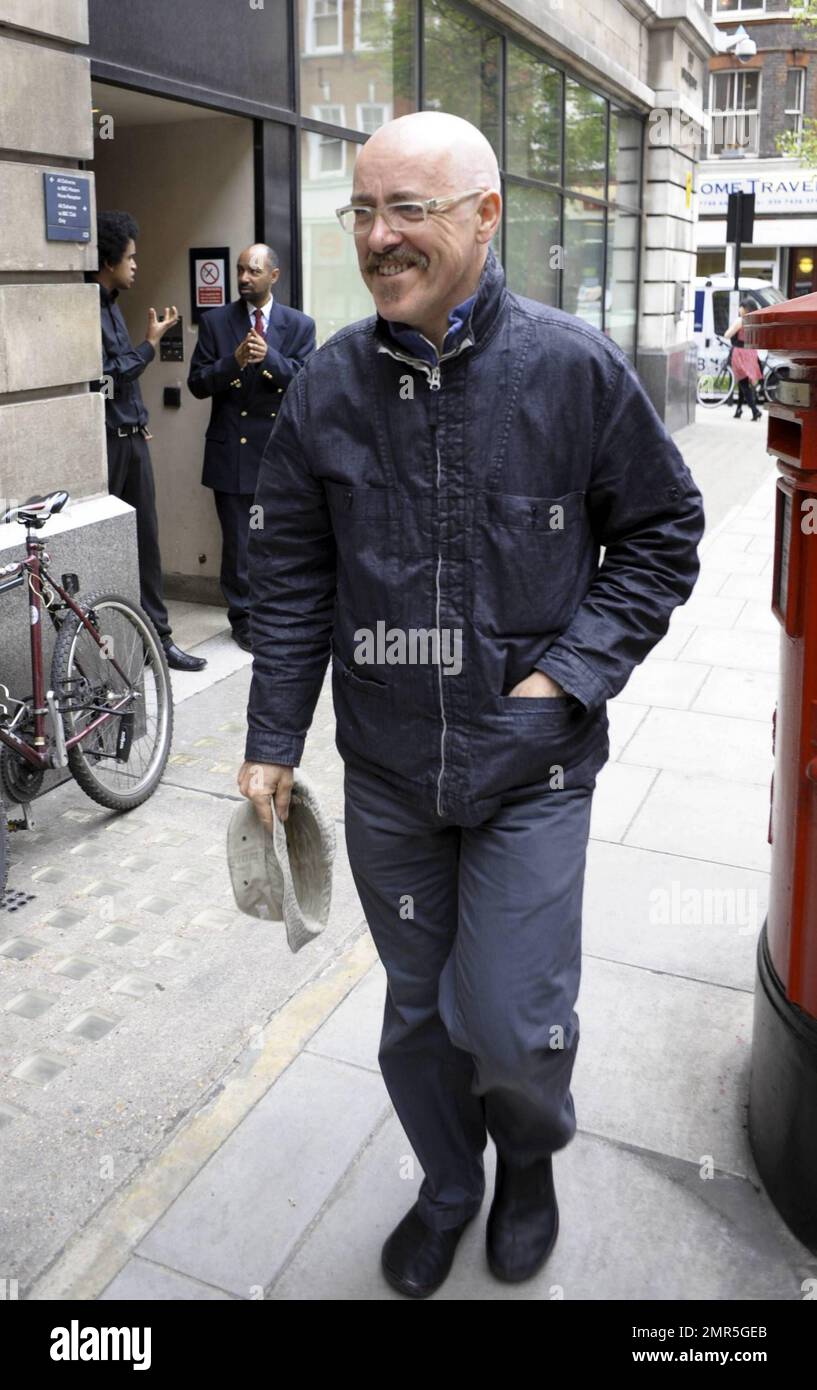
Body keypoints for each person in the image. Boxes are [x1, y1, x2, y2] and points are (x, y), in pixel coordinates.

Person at [236, 111, 705, 1298]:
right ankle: (449, 1184)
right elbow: (289, 576)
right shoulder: (328, 384)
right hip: (391, 774)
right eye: (364, 213)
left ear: (485, 217)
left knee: (508, 1018)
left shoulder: (572, 368)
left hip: (530, 768)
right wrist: (273, 739)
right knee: (417, 1014)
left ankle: (529, 1157)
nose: (380, 237)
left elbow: (661, 531)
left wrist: (567, 678)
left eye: (412, 210)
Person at [87, 212, 206, 672]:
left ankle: (160, 641)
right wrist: (150, 346)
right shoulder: (87, 307)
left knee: (147, 541)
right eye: (131, 257)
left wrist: (137, 417)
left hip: (131, 435)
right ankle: (111, 649)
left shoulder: (112, 303)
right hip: (109, 445)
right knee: (113, 546)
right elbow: (104, 378)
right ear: (108, 259)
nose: (136, 264)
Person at [187, 246, 316, 652]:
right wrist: (234, 362)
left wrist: (270, 358)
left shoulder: (299, 324)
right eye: (240, 270)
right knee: (240, 543)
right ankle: (243, 618)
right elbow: (197, 383)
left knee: (278, 539)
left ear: (273, 276)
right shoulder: (215, 322)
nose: (243, 278)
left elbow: (307, 382)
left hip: (278, 455)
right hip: (232, 452)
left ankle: (277, 611)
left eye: (253, 271)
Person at [724, 298, 763, 421]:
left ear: (745, 309)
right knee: (744, 382)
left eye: (741, 306)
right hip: (751, 353)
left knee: (743, 383)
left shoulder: (740, 321)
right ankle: (739, 410)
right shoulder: (755, 321)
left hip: (740, 353)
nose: (739, 309)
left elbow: (727, 335)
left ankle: (755, 411)